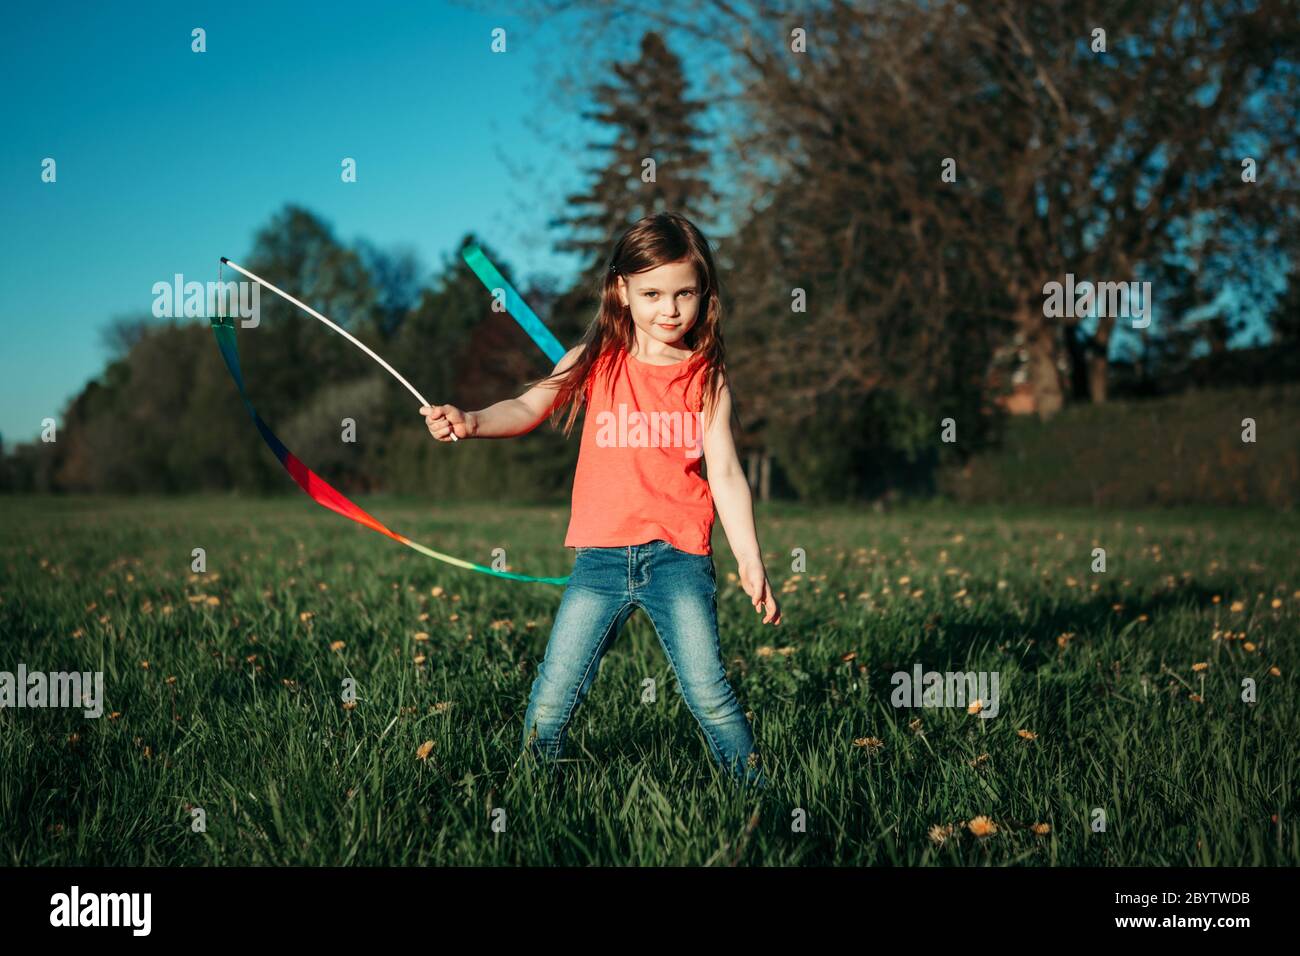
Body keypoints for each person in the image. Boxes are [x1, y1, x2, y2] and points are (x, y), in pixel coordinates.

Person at [418, 212, 780, 790]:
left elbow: (728, 474)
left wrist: (750, 557)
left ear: (703, 293)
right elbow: (527, 406)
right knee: (555, 689)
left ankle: (755, 792)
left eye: (685, 292)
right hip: (602, 559)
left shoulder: (704, 377)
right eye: (653, 293)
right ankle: (534, 792)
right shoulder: (594, 359)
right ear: (622, 291)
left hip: (678, 560)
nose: (670, 309)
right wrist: (470, 421)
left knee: (709, 691)